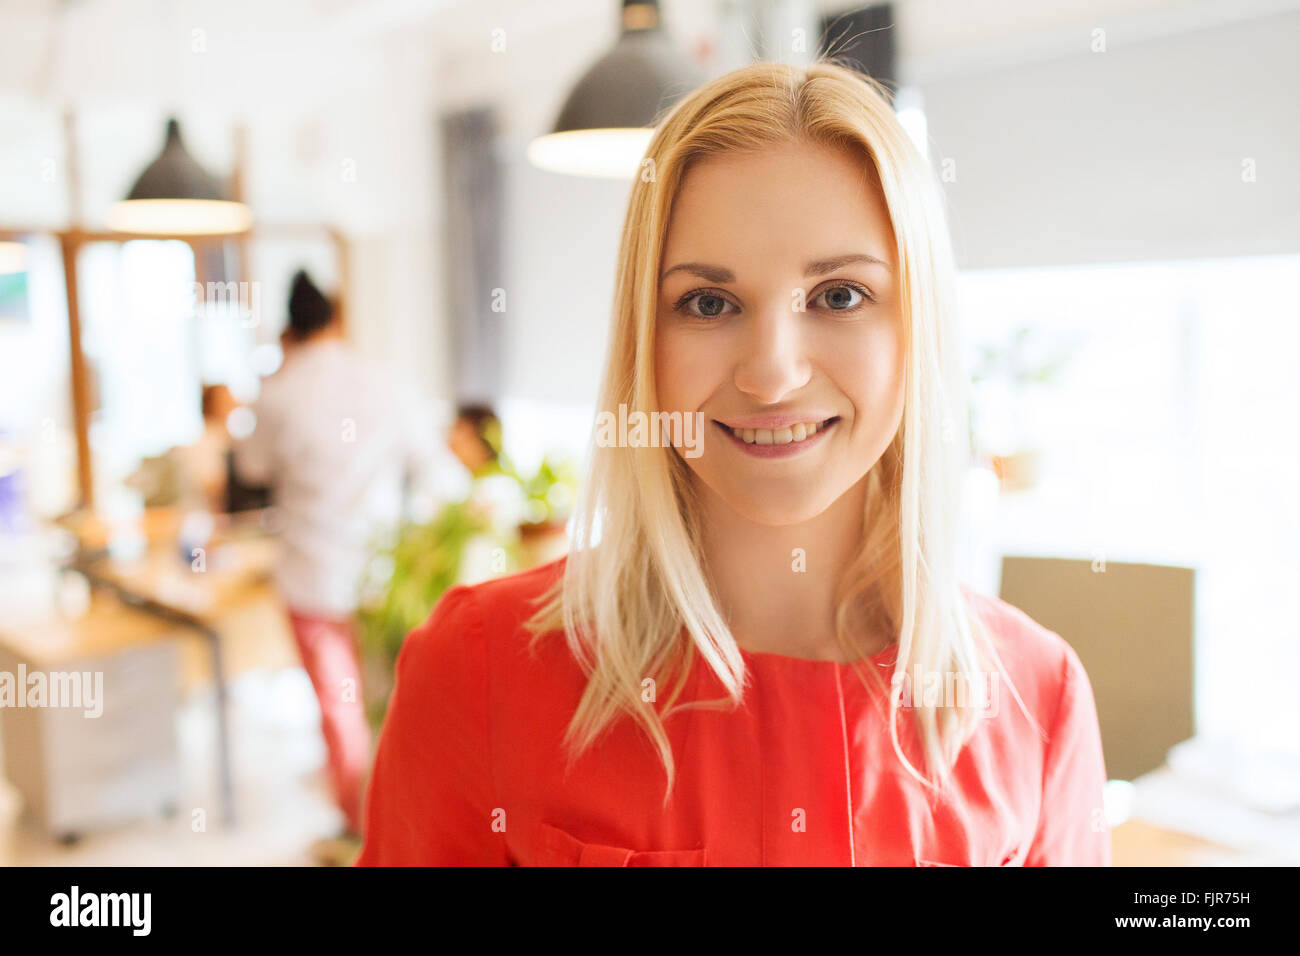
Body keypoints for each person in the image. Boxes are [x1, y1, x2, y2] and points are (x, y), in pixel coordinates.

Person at [356, 60, 1110, 866]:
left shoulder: (1040, 697)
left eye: (839, 296)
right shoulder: (477, 670)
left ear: (916, 329)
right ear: (646, 342)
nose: (772, 373)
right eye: (708, 303)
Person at [234, 269, 437, 845]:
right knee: (391, 699)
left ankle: (363, 827)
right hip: (382, 572)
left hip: (312, 575)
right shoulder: (383, 381)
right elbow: (429, 467)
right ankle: (404, 819)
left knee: (339, 707)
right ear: (338, 319)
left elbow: (251, 469)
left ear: (290, 329)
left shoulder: (277, 391)